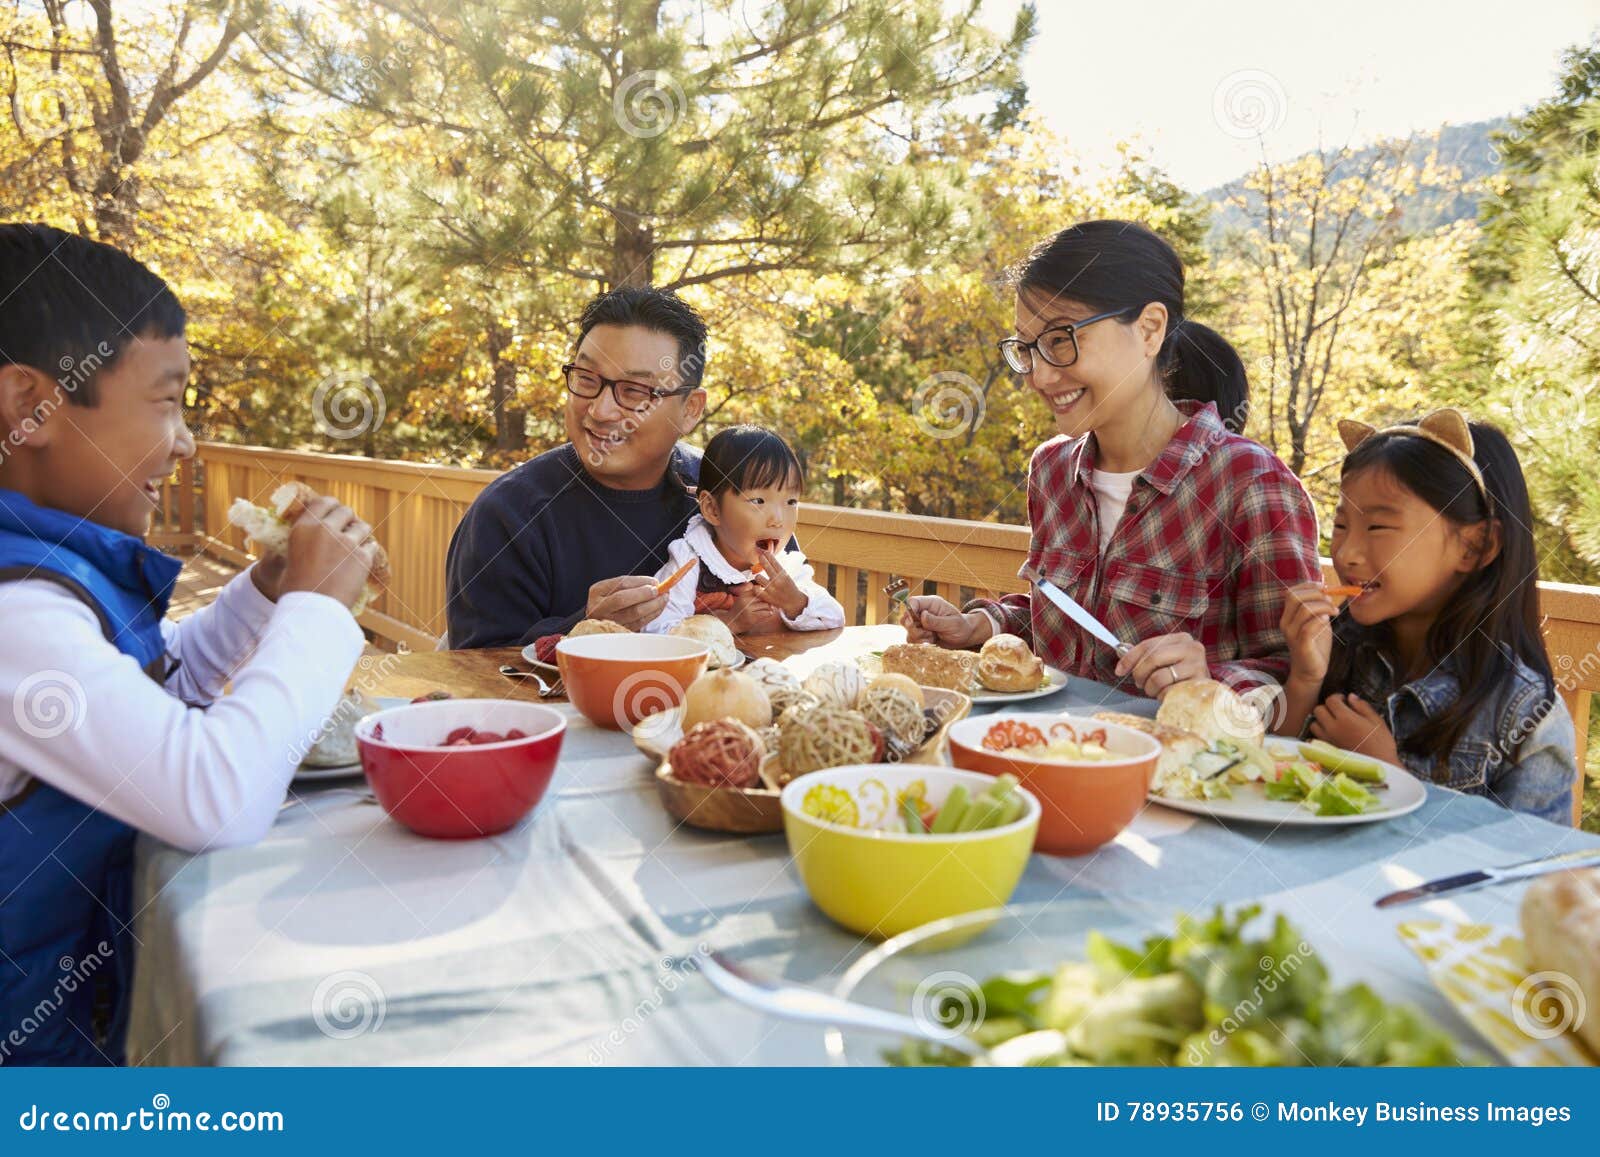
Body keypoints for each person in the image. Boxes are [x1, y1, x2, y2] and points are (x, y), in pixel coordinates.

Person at [0, 223, 380, 1064]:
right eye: (167, 401)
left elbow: (159, 697)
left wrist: (266, 594)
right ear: (31, 407)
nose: (186, 441)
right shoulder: (14, 616)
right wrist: (317, 609)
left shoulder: (44, 574)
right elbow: (216, 799)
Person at [902, 220, 1321, 697]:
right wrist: (980, 626)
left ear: (1149, 329)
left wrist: (1209, 681)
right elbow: (1068, 621)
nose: (1038, 376)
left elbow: (1296, 675)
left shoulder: (1250, 482)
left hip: (1172, 766)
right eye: (1027, 348)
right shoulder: (1052, 471)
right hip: (1044, 752)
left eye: (1061, 339)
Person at [1277, 409, 1577, 823]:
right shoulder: (1340, 648)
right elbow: (1265, 784)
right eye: (1342, 525)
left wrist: (1389, 774)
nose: (1345, 553)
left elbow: (1528, 871)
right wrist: (1304, 680)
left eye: (1378, 527)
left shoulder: (1525, 713)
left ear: (1475, 546)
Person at [445, 286, 784, 647]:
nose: (600, 411)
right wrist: (585, 629)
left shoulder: (730, 493)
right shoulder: (508, 515)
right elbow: (475, 675)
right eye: (587, 380)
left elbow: (791, 627)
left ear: (690, 410)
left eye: (635, 391)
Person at [643, 426, 843, 634]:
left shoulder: (784, 568)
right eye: (758, 501)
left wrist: (796, 602)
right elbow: (655, 629)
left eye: (791, 501)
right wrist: (730, 622)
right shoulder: (690, 560)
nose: (778, 519)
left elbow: (834, 617)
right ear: (712, 509)